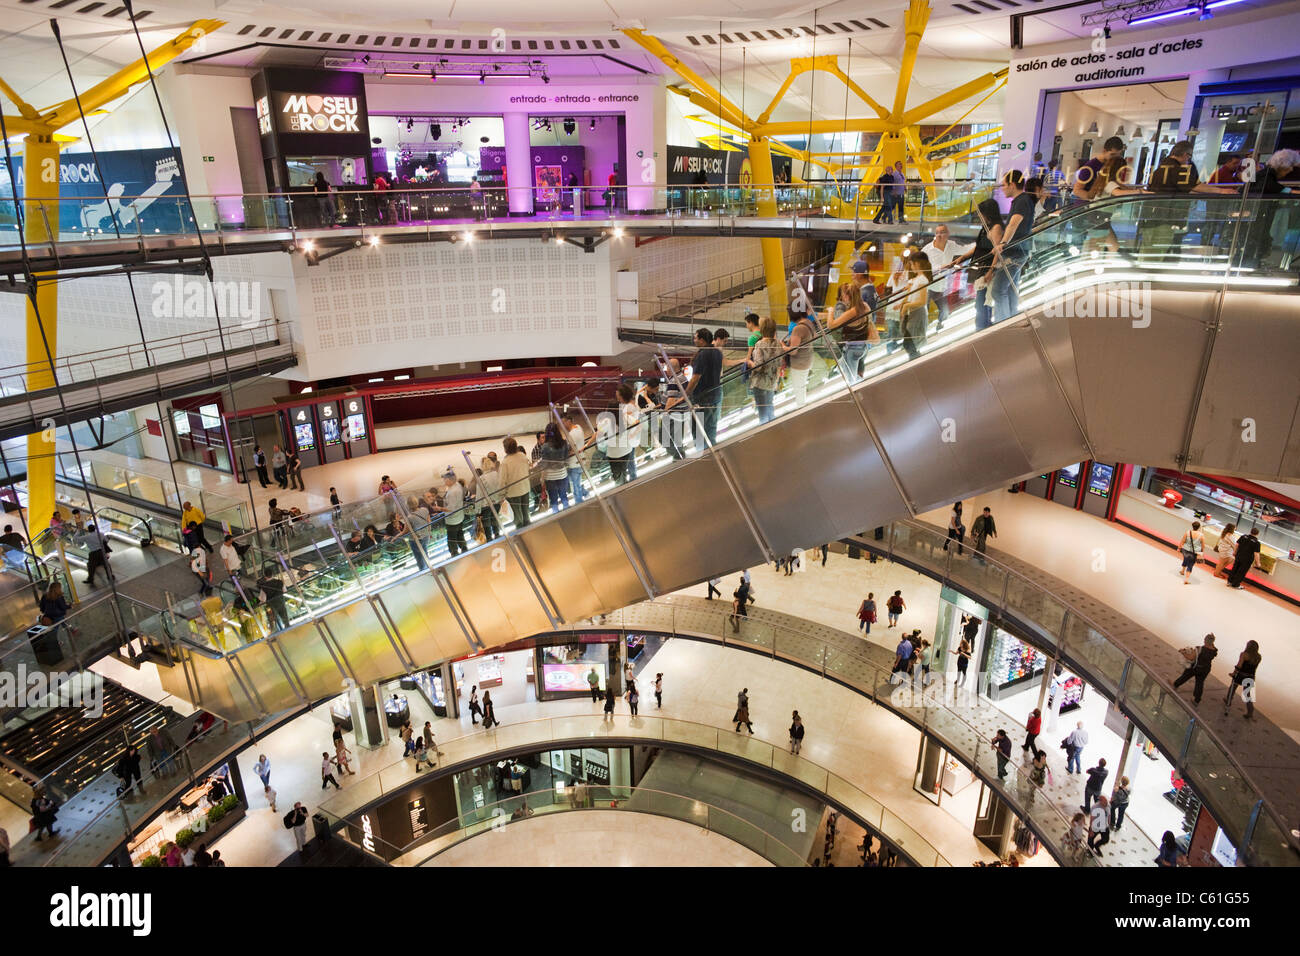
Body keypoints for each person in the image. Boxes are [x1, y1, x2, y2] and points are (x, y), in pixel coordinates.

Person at [991, 169, 1035, 323]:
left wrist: (1002, 243)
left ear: (1012, 185)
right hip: (1018, 251)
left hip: (1015, 252)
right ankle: (1011, 320)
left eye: (1004, 185)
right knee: (1010, 289)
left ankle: (1003, 324)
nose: (1002, 188)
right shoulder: (1022, 200)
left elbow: (1013, 224)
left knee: (998, 291)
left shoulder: (1022, 200)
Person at [953, 198, 1003, 331]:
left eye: (981, 213)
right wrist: (963, 257)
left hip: (987, 270)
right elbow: (978, 247)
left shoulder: (996, 228)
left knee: (982, 303)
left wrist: (991, 271)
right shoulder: (986, 228)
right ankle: (982, 327)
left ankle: (982, 329)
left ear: (988, 213)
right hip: (981, 269)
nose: (979, 216)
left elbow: (998, 251)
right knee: (981, 303)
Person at [919, 225, 970, 330]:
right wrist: (940, 268)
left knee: (945, 311)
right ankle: (922, 331)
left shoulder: (951, 245)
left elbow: (965, 250)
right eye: (937, 232)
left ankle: (940, 328)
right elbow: (921, 269)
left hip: (940, 287)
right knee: (923, 311)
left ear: (947, 234)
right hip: (927, 286)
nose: (939, 235)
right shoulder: (927, 250)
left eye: (942, 232)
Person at [685, 327, 723, 446]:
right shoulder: (717, 352)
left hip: (703, 397)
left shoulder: (702, 355)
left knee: (699, 432)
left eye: (695, 338)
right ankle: (713, 454)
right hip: (716, 395)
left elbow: (695, 378)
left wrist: (686, 394)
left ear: (702, 340)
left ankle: (703, 455)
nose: (694, 340)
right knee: (711, 429)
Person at [599, 384, 640, 485]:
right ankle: (627, 481)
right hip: (626, 442)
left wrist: (631, 434)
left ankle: (630, 480)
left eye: (618, 395)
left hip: (626, 442)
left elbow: (637, 423)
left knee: (627, 463)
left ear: (622, 395)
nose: (616, 396)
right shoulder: (625, 407)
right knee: (626, 463)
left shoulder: (627, 408)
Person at [746, 316, 783, 422]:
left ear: (762, 329)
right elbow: (779, 364)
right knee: (770, 407)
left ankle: (765, 431)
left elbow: (758, 367)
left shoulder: (760, 344)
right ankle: (773, 430)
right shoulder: (778, 344)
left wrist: (750, 363)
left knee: (762, 412)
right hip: (772, 381)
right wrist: (776, 381)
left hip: (760, 383)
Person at [899, 250, 933, 360]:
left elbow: (922, 301)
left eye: (912, 264)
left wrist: (906, 306)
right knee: (909, 343)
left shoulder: (922, 279)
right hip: (913, 312)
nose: (911, 267)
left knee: (911, 343)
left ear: (917, 263)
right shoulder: (917, 279)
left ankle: (915, 362)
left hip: (918, 313)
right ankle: (914, 362)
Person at [1172, 632, 1217, 705]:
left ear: (1205, 640)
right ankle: (1196, 700)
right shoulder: (1214, 650)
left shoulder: (1200, 649)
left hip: (1196, 668)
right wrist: (1212, 639)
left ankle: (1175, 685)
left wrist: (1182, 652)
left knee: (1185, 675)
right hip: (1206, 669)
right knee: (1199, 683)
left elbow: (1190, 658)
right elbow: (1211, 645)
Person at [499, 437, 532, 528]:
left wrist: (501, 495)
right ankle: (529, 527)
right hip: (525, 488)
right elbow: (527, 469)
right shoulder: (522, 455)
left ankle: (521, 530)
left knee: (517, 516)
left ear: (505, 449)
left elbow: (502, 481)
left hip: (513, 492)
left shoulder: (505, 462)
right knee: (526, 512)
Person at [1224, 639, 1262, 719]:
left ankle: (1228, 701)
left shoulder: (1244, 654)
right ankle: (1250, 711)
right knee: (1247, 695)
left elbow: (1239, 665)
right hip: (1250, 677)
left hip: (1241, 675)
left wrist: (1234, 673)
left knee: (1232, 688)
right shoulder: (1258, 657)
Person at [562, 414, 587, 504]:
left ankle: (579, 503)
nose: (562, 425)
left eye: (563, 422)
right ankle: (586, 494)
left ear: (569, 421)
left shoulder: (571, 435)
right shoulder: (579, 427)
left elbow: (572, 450)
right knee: (578, 483)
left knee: (575, 486)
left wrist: (564, 455)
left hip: (573, 463)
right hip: (581, 460)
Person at [1177, 520, 1206, 584]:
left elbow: (1183, 541)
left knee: (1186, 559)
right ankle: (1186, 579)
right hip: (1194, 552)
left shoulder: (1187, 532)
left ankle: (1182, 571)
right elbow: (1203, 545)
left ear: (1192, 526)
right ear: (1199, 527)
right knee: (1190, 564)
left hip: (1185, 550)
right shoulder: (1201, 535)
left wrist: (1179, 548)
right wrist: (1202, 552)